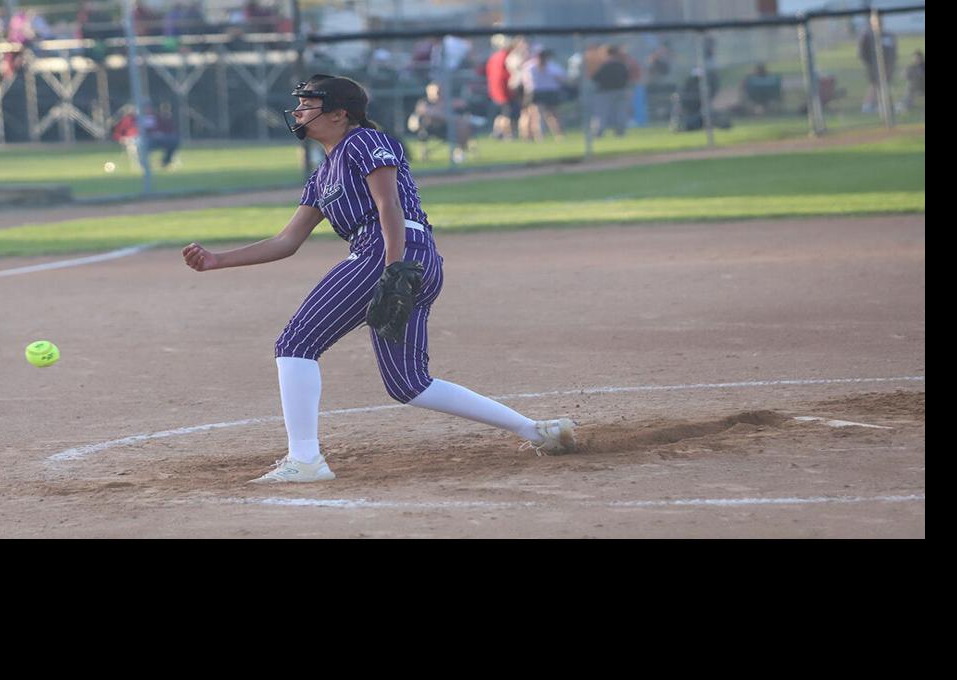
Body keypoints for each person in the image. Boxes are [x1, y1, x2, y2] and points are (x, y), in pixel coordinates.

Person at [180, 75, 576, 484]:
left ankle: (305, 460)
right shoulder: (322, 175)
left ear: (339, 114)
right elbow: (287, 241)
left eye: (308, 103)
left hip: (387, 251)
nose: (297, 111)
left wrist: (392, 266)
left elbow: (389, 204)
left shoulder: (363, 141)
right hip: (407, 256)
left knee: (295, 344)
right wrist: (216, 260)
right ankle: (537, 431)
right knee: (409, 384)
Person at [520, 46, 567, 141]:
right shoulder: (530, 67)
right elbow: (525, 81)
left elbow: (563, 78)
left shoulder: (552, 66)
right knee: (536, 114)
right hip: (536, 92)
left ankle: (559, 135)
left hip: (550, 92)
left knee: (553, 114)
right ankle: (537, 135)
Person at [591, 45, 631, 138]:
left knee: (601, 113)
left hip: (604, 92)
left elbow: (595, 78)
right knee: (620, 112)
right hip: (620, 91)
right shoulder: (621, 65)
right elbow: (626, 78)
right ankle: (620, 132)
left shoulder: (603, 65)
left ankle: (598, 132)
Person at [859, 27, 897, 113]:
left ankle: (884, 105)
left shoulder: (887, 35)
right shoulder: (867, 36)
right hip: (874, 67)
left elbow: (892, 51)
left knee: (884, 86)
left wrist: (890, 64)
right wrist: (870, 64)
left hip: (887, 66)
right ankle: (867, 106)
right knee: (875, 85)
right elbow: (863, 53)